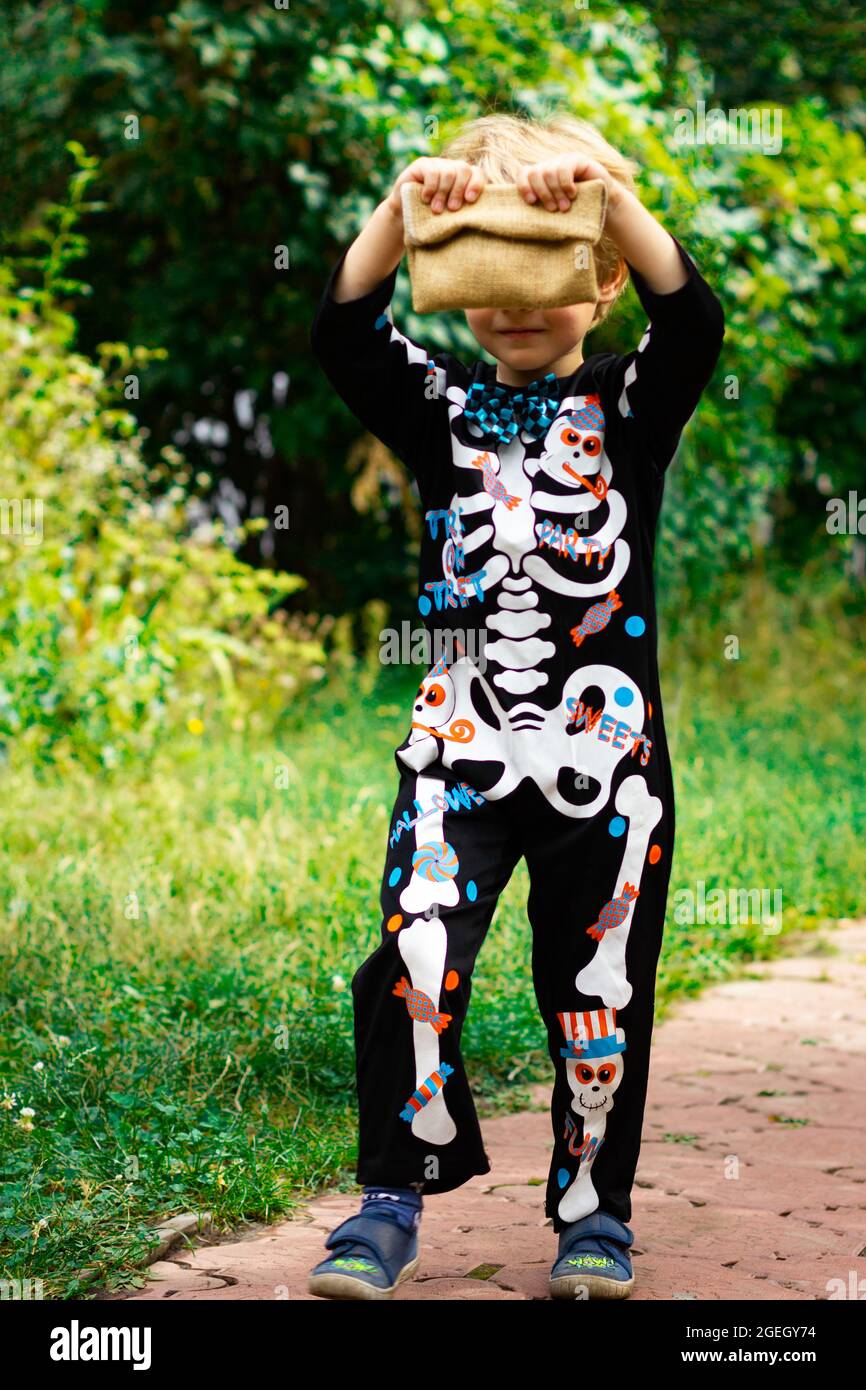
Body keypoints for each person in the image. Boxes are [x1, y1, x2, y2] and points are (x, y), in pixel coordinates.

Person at [306, 111, 724, 1300]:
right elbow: (343, 332)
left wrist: (602, 195)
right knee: (411, 957)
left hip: (607, 755)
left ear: (598, 287)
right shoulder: (432, 407)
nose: (516, 302)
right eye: (488, 276)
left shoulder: (628, 411)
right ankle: (389, 1201)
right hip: (457, 746)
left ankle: (592, 1213)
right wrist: (407, 208)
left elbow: (691, 320)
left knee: (596, 988)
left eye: (547, 274)